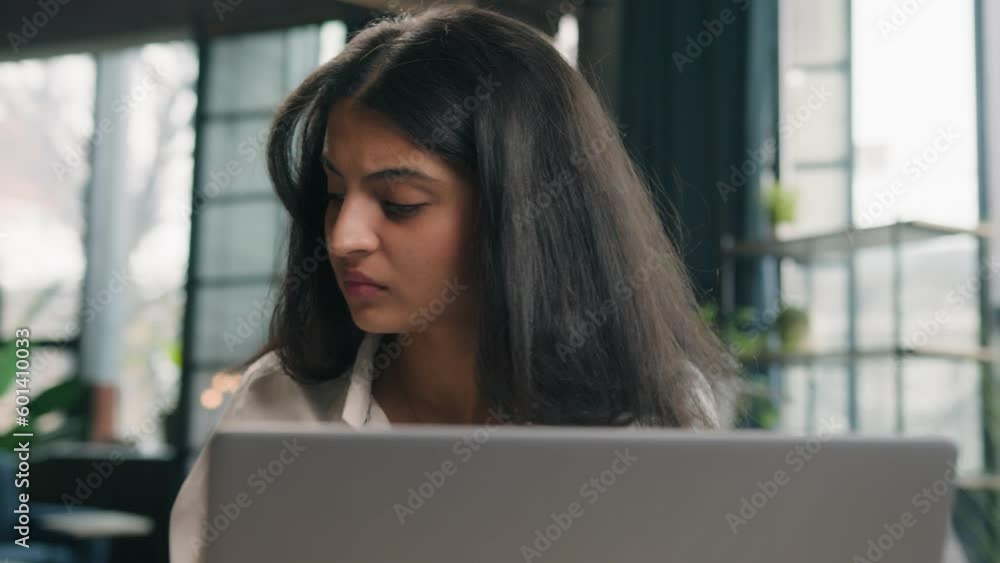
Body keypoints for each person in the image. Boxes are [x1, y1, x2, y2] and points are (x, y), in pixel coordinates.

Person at [169, 5, 736, 561]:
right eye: (336, 194)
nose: (344, 238)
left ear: (521, 216)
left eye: (399, 203)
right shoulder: (280, 408)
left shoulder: (648, 419)